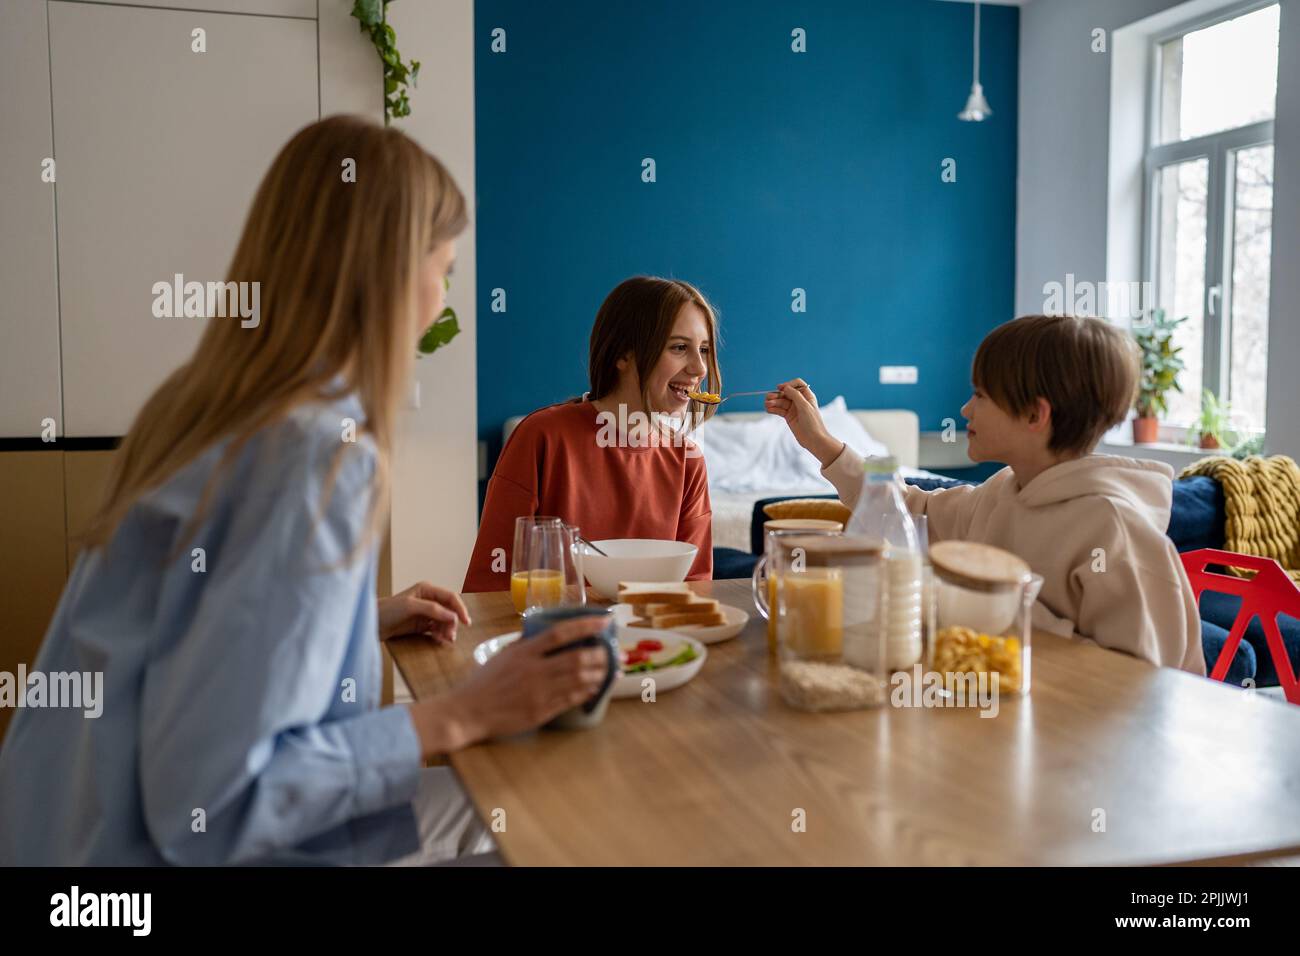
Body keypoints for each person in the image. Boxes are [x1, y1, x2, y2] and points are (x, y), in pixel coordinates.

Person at [0, 115, 612, 866]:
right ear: (387, 275)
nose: (441, 296)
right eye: (443, 268)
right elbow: (211, 805)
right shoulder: (312, 457)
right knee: (558, 826)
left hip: (59, 844)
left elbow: (195, 632)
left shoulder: (202, 409)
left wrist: (355, 619)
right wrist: (464, 715)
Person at [766, 314, 1204, 673]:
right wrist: (821, 441)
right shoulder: (1003, 492)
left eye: (980, 395)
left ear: (1035, 414)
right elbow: (906, 509)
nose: (964, 409)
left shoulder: (1114, 529)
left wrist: (1001, 610)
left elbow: (1141, 682)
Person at [463, 276, 720, 592]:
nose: (700, 369)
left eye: (704, 349)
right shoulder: (540, 437)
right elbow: (490, 580)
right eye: (679, 347)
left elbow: (694, 586)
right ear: (623, 354)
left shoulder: (688, 459)